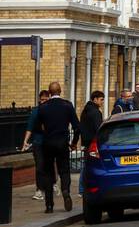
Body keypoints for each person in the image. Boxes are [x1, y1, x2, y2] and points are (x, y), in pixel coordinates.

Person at [33, 82, 81, 213]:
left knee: (48, 173)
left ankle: (49, 205)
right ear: (60, 91)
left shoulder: (43, 107)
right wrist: (74, 142)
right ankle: (65, 191)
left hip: (48, 144)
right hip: (62, 143)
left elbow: (37, 127)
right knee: (64, 170)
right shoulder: (67, 106)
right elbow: (77, 127)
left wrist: (45, 130)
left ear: (49, 92)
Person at [21, 89, 50, 202]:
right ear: (39, 100)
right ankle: (39, 190)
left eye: (46, 100)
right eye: (42, 100)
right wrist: (25, 141)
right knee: (39, 166)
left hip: (49, 142)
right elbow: (30, 127)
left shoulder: (52, 111)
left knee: (49, 165)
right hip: (38, 142)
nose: (43, 102)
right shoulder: (36, 111)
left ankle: (51, 184)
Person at [78, 90, 105, 194]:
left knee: (86, 165)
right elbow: (98, 129)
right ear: (95, 99)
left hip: (86, 141)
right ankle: (82, 189)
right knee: (89, 166)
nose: (102, 102)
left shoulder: (86, 110)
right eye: (101, 100)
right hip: (93, 143)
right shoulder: (95, 112)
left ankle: (82, 188)